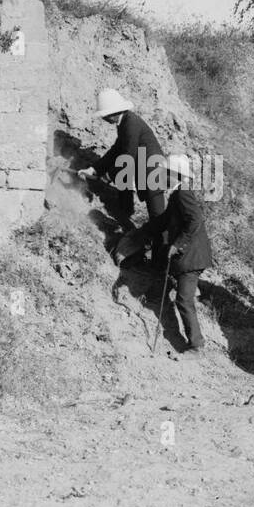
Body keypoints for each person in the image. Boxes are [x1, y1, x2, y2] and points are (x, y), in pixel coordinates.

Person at [132, 153, 214, 356]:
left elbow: (195, 220)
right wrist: (141, 232)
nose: (163, 176)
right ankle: (154, 295)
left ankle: (197, 345)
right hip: (189, 256)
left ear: (176, 174)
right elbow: (163, 221)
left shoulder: (183, 192)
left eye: (167, 173)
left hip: (191, 257)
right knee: (177, 290)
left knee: (184, 300)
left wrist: (177, 244)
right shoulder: (177, 193)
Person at [77, 88, 169, 242]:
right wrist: (94, 169)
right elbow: (116, 151)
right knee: (154, 217)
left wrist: (108, 176)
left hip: (153, 172)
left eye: (105, 116)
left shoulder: (131, 124)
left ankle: (162, 259)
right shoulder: (125, 123)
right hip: (145, 171)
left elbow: (127, 156)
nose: (104, 119)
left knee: (158, 218)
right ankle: (129, 221)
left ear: (114, 113)